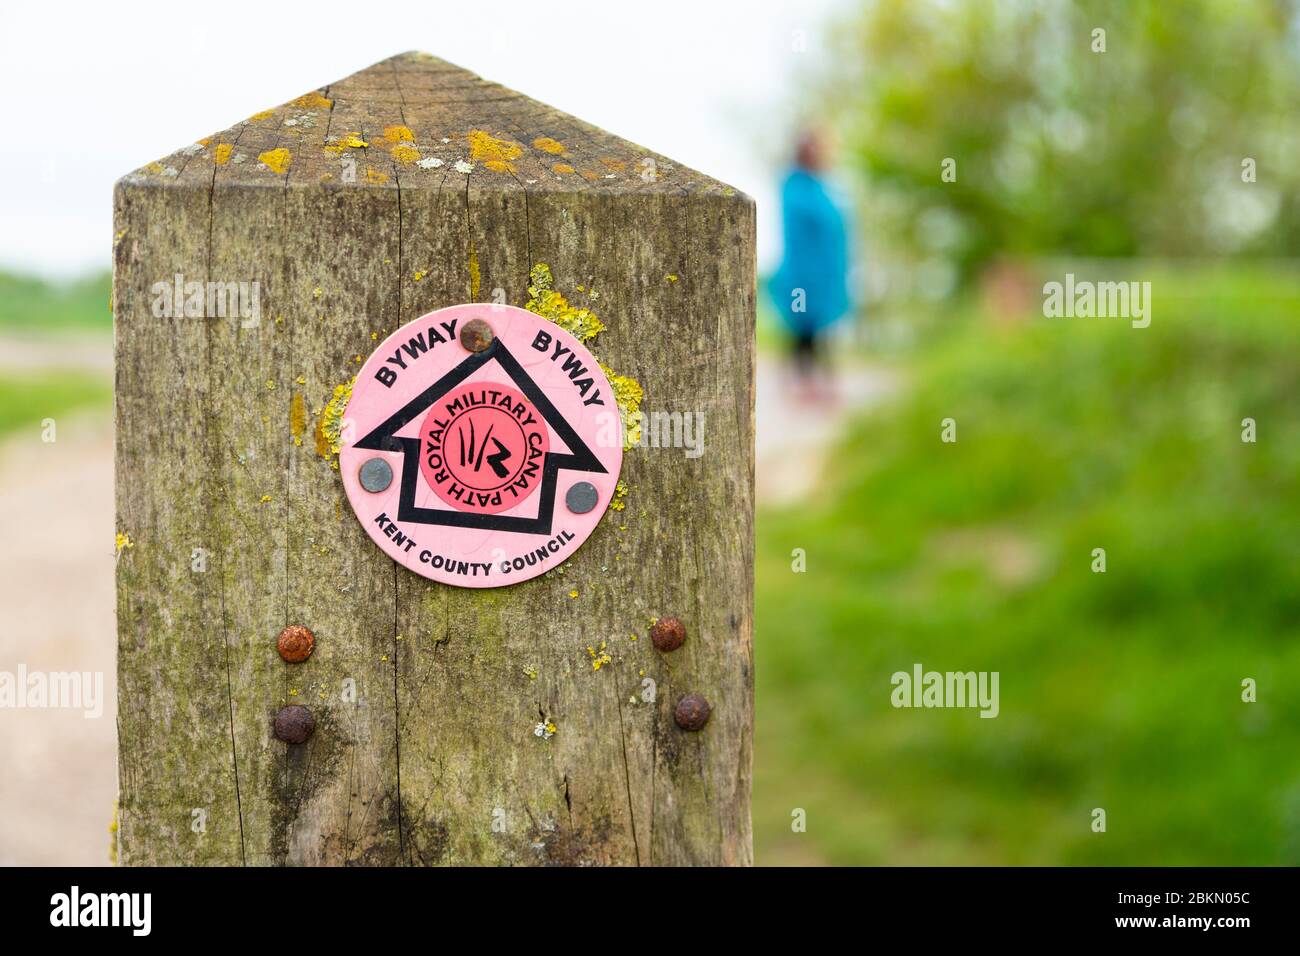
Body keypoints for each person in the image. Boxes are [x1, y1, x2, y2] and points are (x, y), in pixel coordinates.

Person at [770, 128, 851, 402]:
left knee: (818, 329)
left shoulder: (820, 186)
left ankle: (817, 384)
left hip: (823, 273)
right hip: (802, 272)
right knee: (800, 329)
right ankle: (802, 385)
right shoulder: (794, 186)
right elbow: (807, 225)